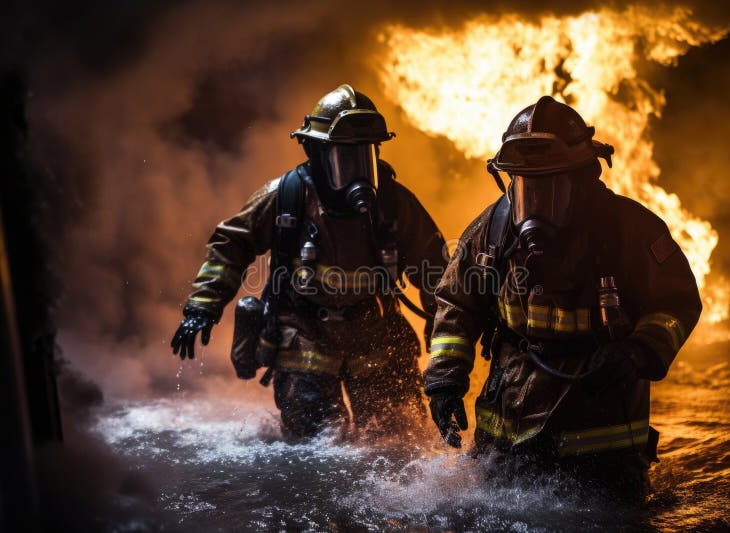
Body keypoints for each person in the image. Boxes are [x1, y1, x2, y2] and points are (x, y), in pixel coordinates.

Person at [424, 95, 702, 498]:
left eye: (549, 187)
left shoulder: (629, 229)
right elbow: (456, 305)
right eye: (524, 187)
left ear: (583, 179)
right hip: (509, 428)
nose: (533, 203)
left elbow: (676, 302)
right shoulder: (492, 229)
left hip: (599, 436)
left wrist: (638, 351)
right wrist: (445, 382)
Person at [172, 84, 446, 439]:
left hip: (377, 336)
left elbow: (436, 269)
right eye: (345, 159)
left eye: (366, 156)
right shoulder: (287, 197)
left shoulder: (393, 203)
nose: (359, 171)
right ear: (316, 152)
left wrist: (442, 325)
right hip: (305, 340)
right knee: (317, 450)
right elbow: (230, 245)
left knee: (398, 442)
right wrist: (202, 307)